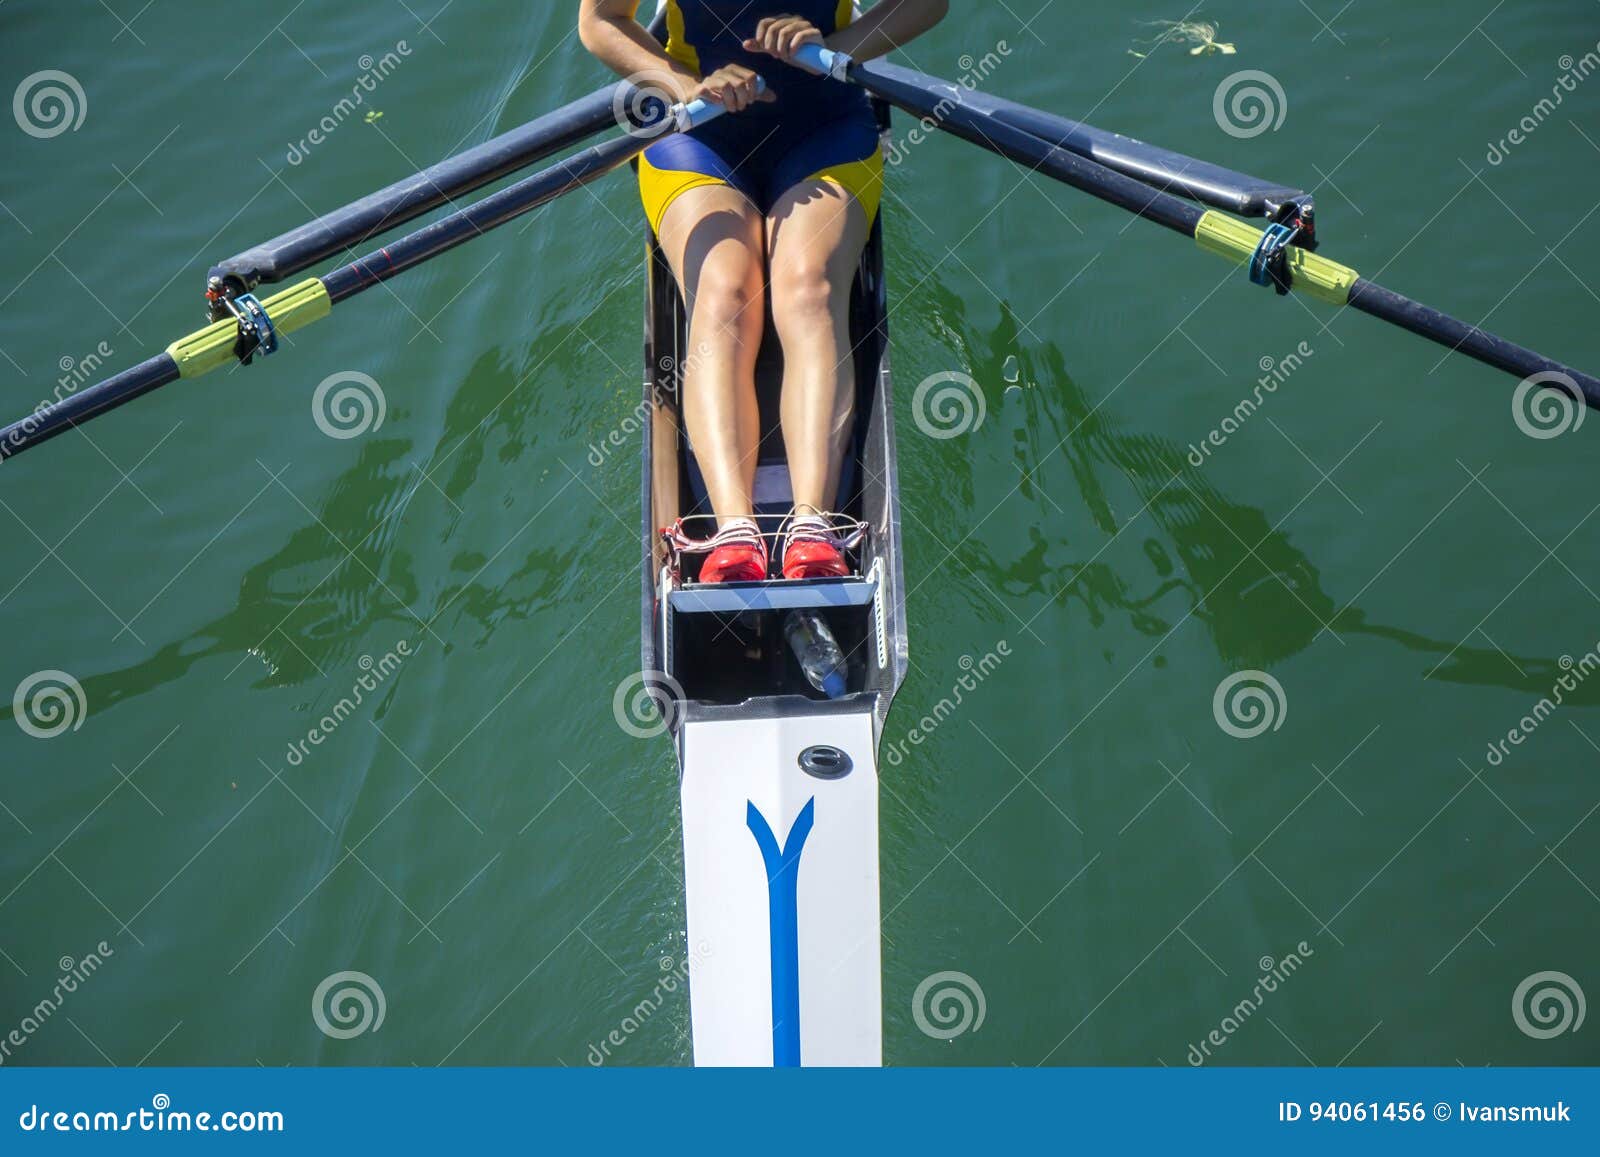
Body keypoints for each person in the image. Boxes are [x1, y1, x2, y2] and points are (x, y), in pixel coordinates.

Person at [579, 1, 947, 581]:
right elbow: (600, 21)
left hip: (827, 127)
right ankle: (734, 534)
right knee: (726, 289)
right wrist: (689, 84)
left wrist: (841, 47)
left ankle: (812, 528)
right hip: (697, 128)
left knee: (806, 285)